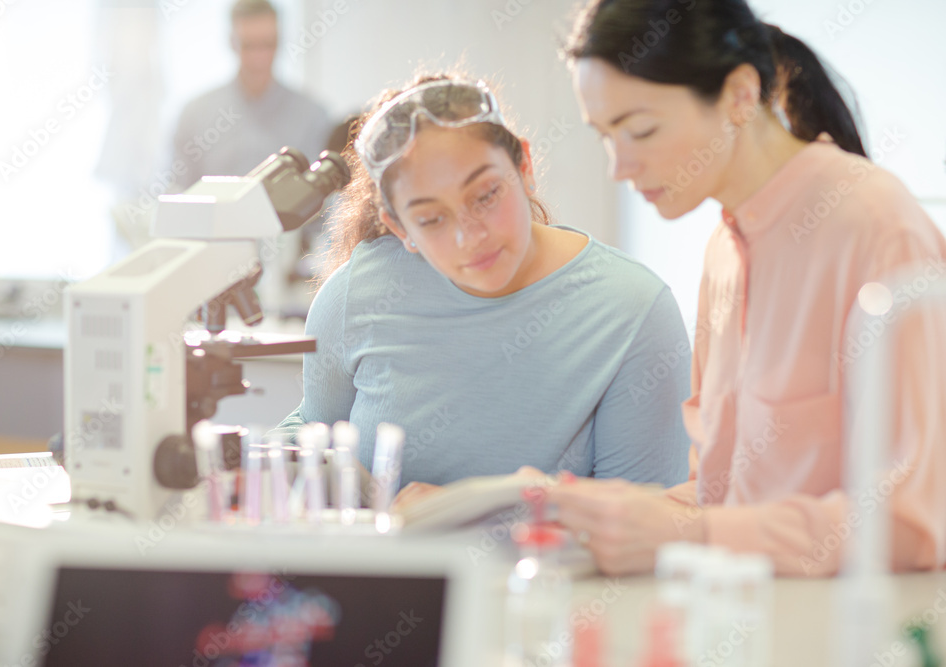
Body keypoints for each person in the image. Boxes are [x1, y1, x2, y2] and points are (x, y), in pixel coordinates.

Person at [550, 0, 946, 576]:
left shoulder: (878, 227)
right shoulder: (723, 252)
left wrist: (694, 532)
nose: (619, 165)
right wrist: (608, 518)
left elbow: (916, 522)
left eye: (640, 129)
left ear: (739, 95)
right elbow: (722, 500)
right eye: (604, 135)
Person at [272, 74, 693, 495]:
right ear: (399, 227)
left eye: (486, 195)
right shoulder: (356, 295)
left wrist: (466, 510)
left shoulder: (632, 309)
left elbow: (648, 520)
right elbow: (314, 438)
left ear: (524, 168)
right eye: (431, 219)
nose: (469, 236)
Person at [170, 0, 331, 187]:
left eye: (267, 44)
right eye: (249, 45)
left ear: (279, 41)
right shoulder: (194, 115)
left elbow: (324, 203)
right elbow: (179, 196)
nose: (259, 57)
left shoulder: (314, 117)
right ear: (232, 42)